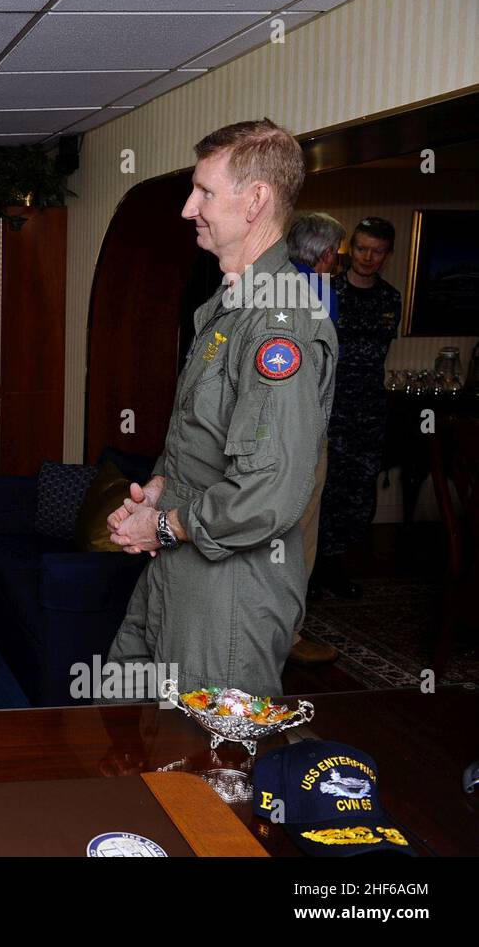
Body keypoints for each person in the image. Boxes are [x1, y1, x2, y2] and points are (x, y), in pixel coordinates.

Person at [106, 119, 337, 698]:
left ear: (256, 200)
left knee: (212, 769)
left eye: (205, 192)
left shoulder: (279, 325)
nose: (189, 208)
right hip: (178, 566)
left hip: (229, 591)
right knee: (126, 726)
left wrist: (165, 525)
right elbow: (202, 433)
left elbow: (271, 491)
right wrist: (161, 489)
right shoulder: (227, 306)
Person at [315, 217, 401, 600]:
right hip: (330, 408)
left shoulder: (390, 299)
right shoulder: (326, 291)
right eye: (363, 248)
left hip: (368, 412)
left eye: (377, 251)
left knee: (358, 493)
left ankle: (337, 565)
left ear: (387, 254)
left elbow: (380, 353)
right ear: (351, 249)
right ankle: (310, 569)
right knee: (324, 488)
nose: (368, 257)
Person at [285, 211, 346, 665]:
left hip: (262, 434)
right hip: (303, 435)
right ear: (327, 255)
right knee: (300, 535)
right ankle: (288, 636)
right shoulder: (321, 292)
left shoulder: (263, 282)